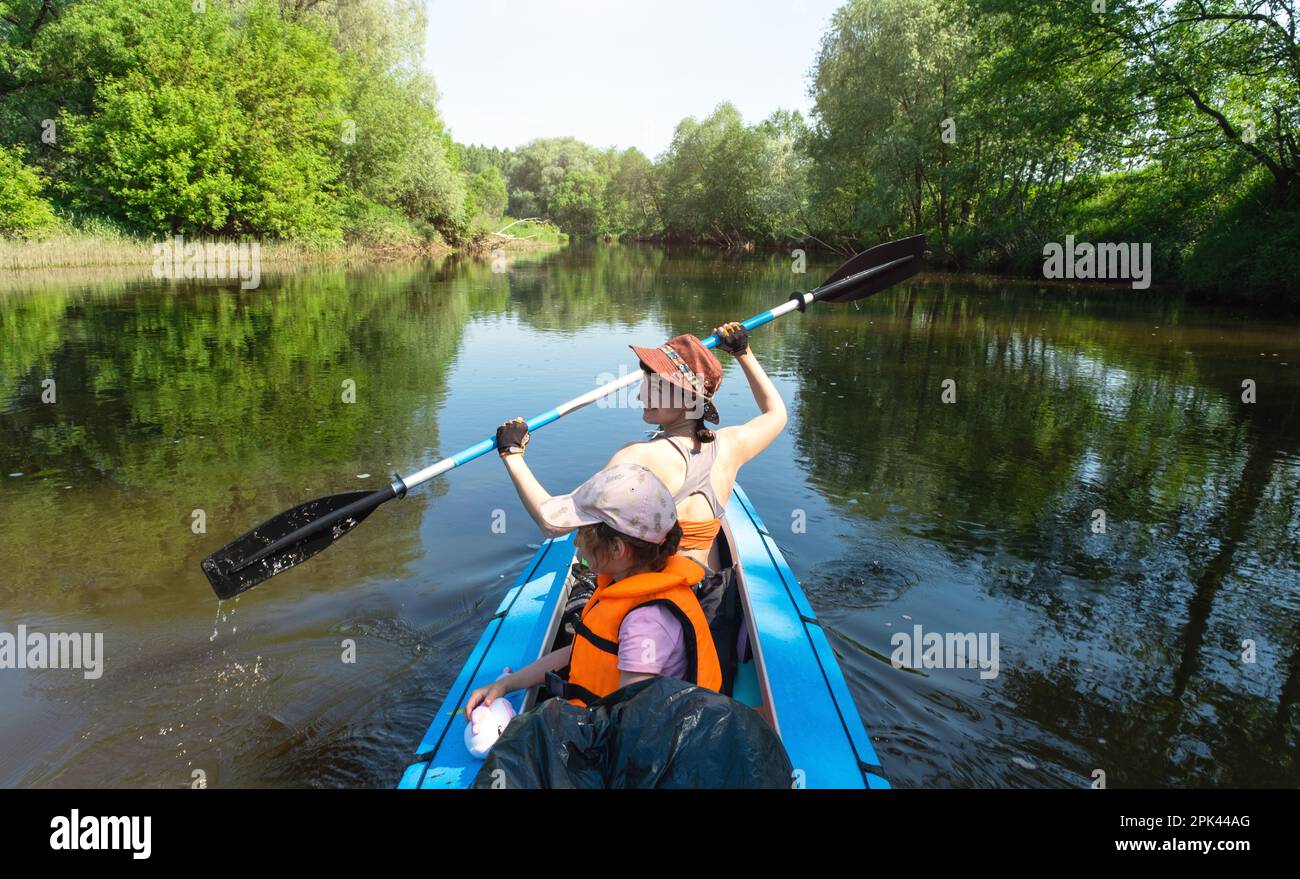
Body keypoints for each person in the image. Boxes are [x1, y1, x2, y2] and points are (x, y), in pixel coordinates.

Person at [463, 463, 721, 716]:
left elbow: (628, 719)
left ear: (617, 549)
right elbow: (580, 649)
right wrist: (507, 683)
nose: (576, 541)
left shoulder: (646, 624)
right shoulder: (623, 583)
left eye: (584, 534)